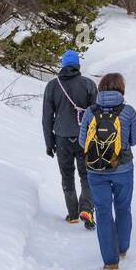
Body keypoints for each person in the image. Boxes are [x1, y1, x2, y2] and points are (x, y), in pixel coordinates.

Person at [78, 73, 136, 270]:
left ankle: (110, 261)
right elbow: (134, 140)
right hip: (122, 168)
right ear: (122, 89)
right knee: (123, 208)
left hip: (95, 170)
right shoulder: (128, 111)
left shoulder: (89, 112)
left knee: (103, 212)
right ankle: (122, 248)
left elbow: (82, 142)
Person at [42, 49, 98, 228]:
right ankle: (87, 209)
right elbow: (97, 114)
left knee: (67, 175)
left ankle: (73, 213)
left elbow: (47, 117)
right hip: (85, 137)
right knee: (86, 174)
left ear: (63, 65)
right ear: (78, 65)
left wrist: (49, 144)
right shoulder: (88, 84)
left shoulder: (52, 85)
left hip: (61, 137)